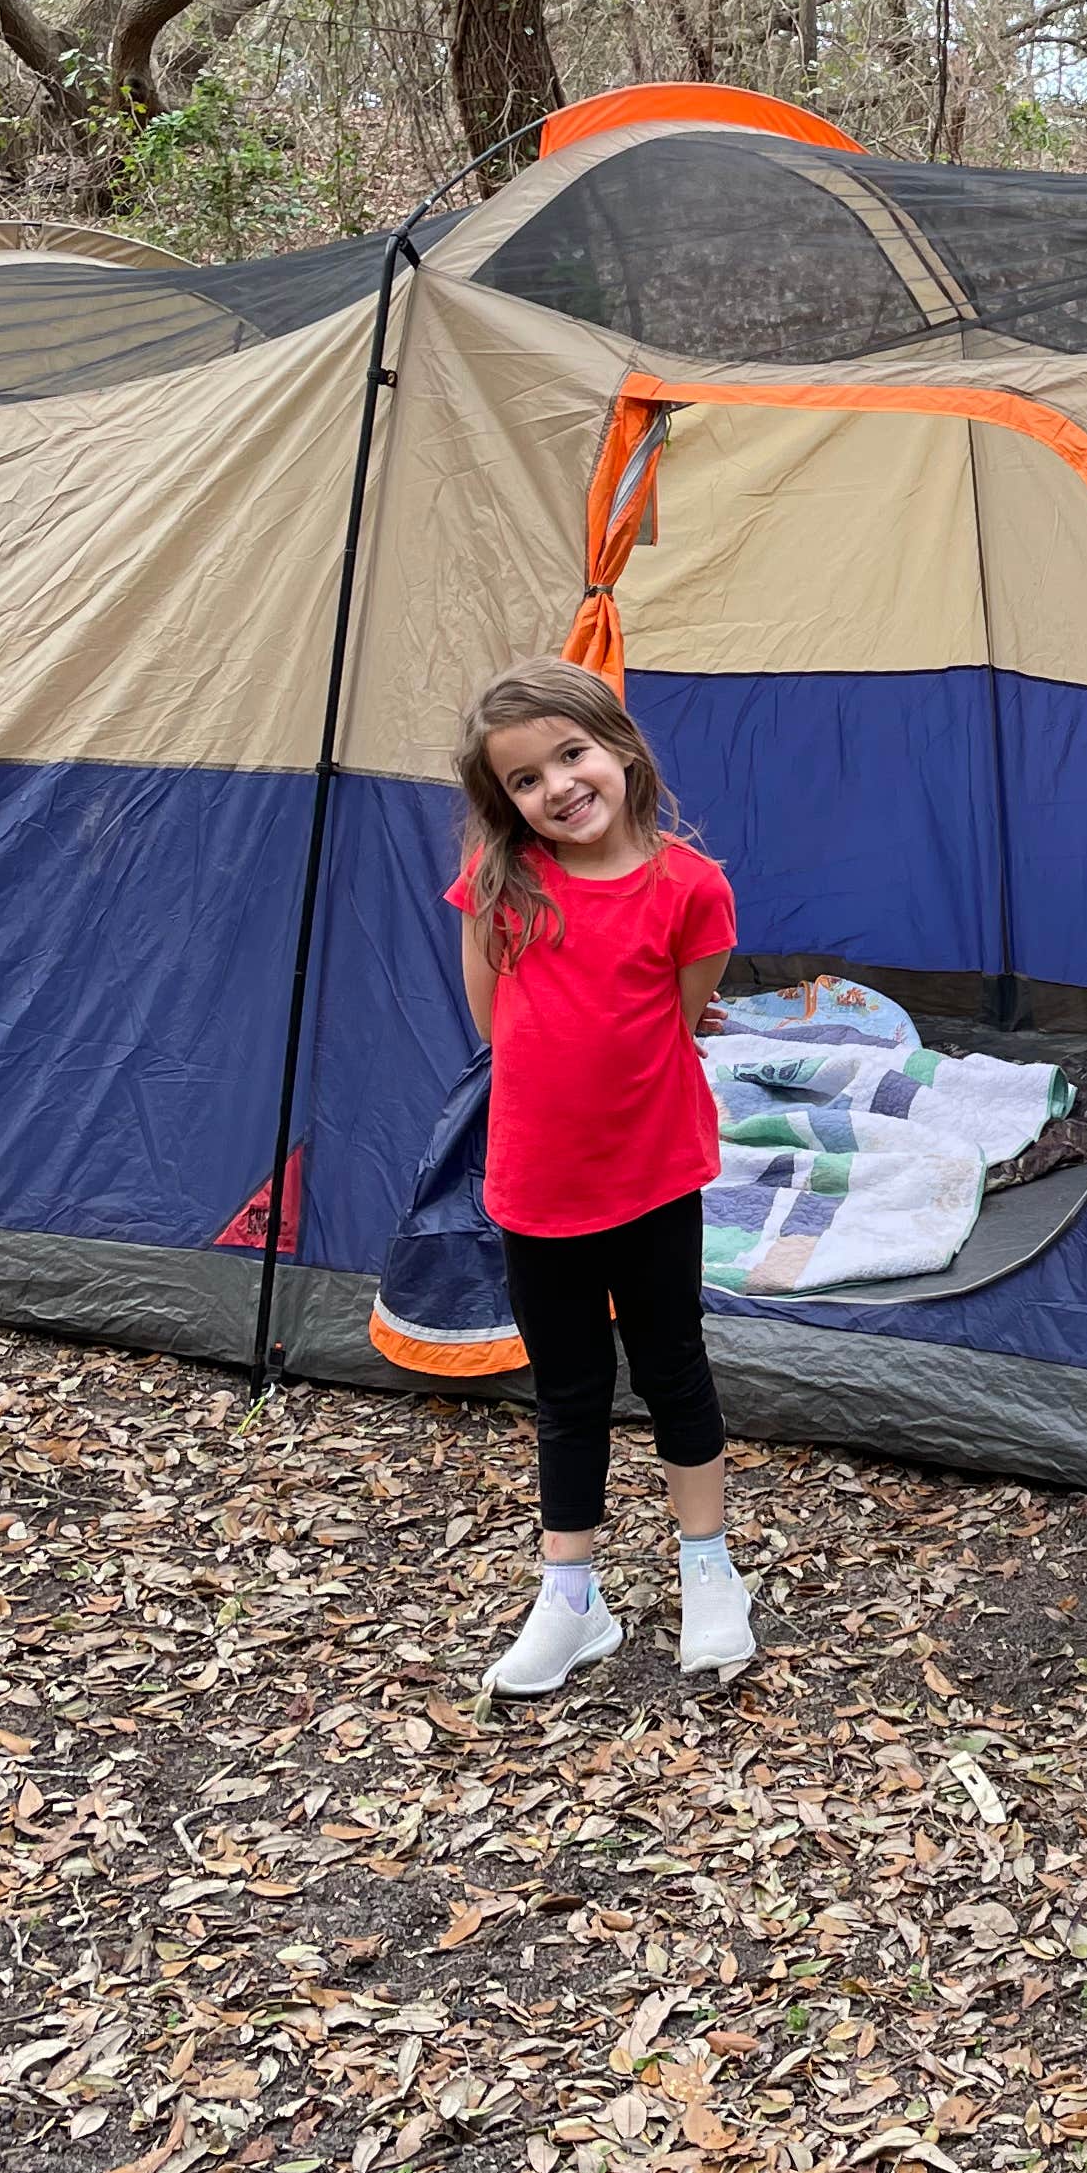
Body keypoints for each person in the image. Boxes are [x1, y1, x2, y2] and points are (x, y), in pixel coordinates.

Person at [448, 657, 755, 1694]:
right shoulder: (503, 887)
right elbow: (494, 1024)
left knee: (673, 1367)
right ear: (508, 802)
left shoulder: (690, 888)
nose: (558, 787)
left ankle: (709, 1570)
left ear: (620, 749)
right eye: (526, 779)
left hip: (655, 1171)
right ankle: (572, 1599)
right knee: (569, 1390)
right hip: (537, 1184)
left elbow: (676, 1013)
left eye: (571, 755)